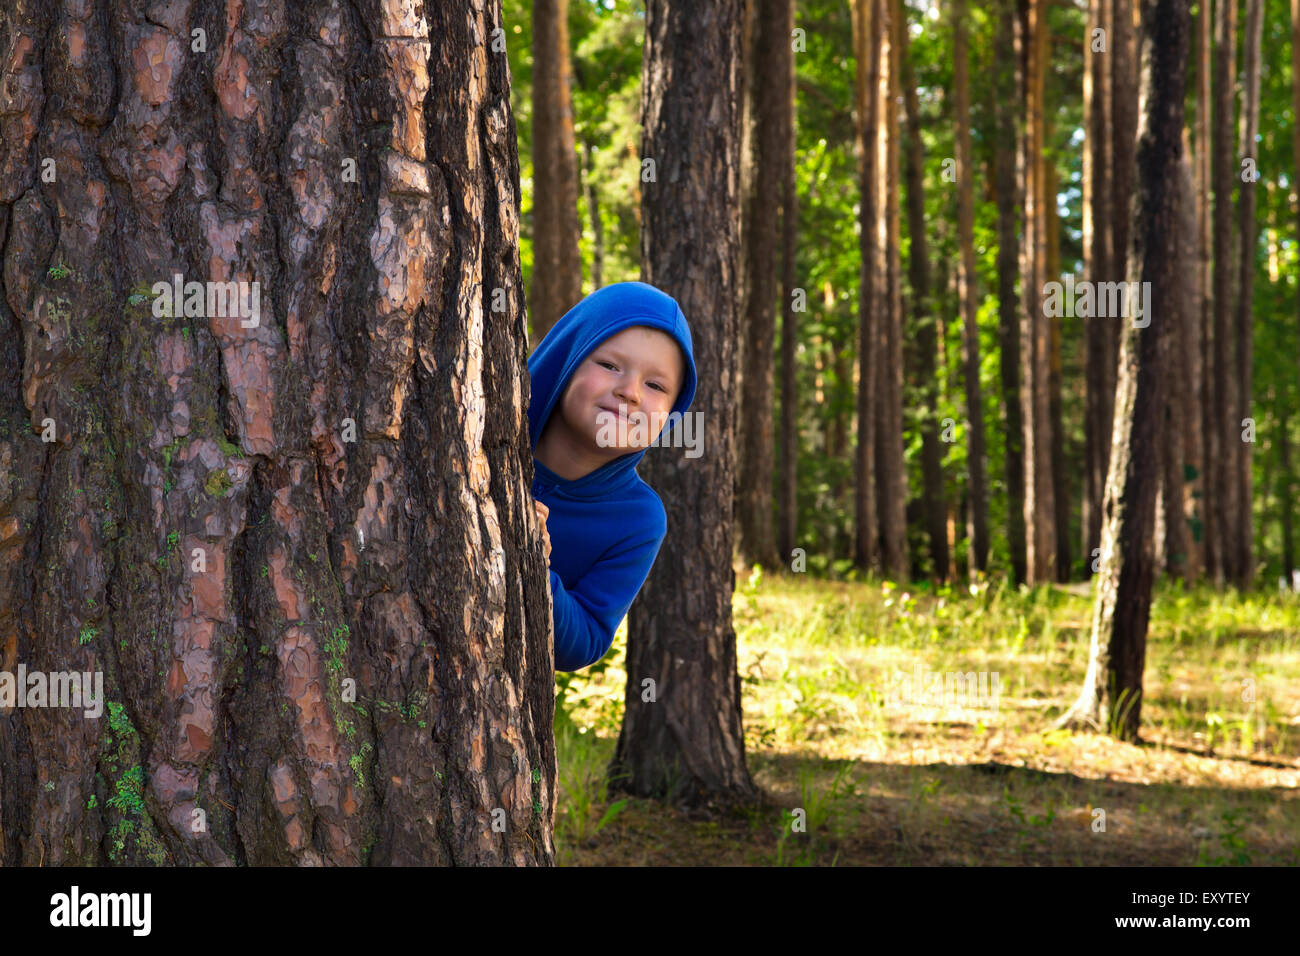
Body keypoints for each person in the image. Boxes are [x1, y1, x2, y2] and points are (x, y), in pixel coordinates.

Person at [527, 281, 698, 671]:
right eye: (609, 365)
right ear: (568, 358)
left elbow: (583, 642)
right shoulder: (477, 439)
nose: (630, 392)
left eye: (655, 385)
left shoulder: (637, 519)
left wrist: (534, 564)